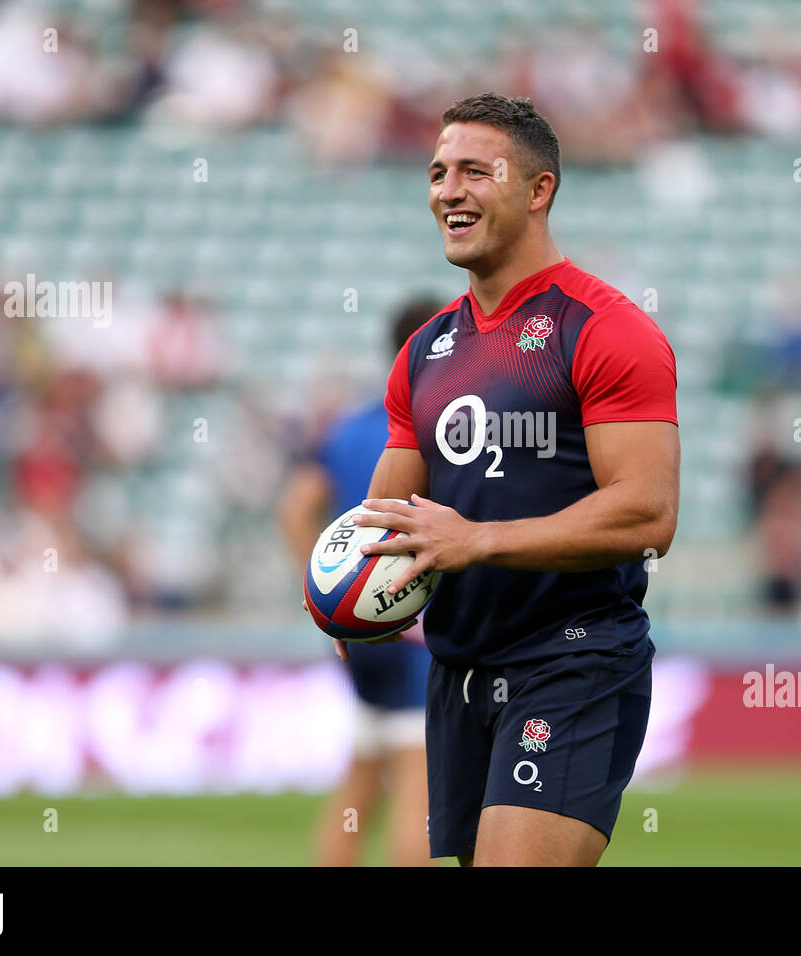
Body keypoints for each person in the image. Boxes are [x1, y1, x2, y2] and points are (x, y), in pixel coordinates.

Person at [344, 93, 679, 866]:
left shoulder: (603, 328)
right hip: (459, 669)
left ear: (539, 190)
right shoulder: (423, 353)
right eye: (435, 172)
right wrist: (348, 593)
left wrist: (477, 540)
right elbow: (383, 516)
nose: (446, 190)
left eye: (472, 171)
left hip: (574, 658)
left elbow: (648, 513)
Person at [279, 296, 439, 867]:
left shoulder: (348, 427)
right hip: (413, 623)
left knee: (363, 782)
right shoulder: (436, 429)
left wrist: (328, 594)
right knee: (420, 787)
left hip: (358, 623)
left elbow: (296, 508)